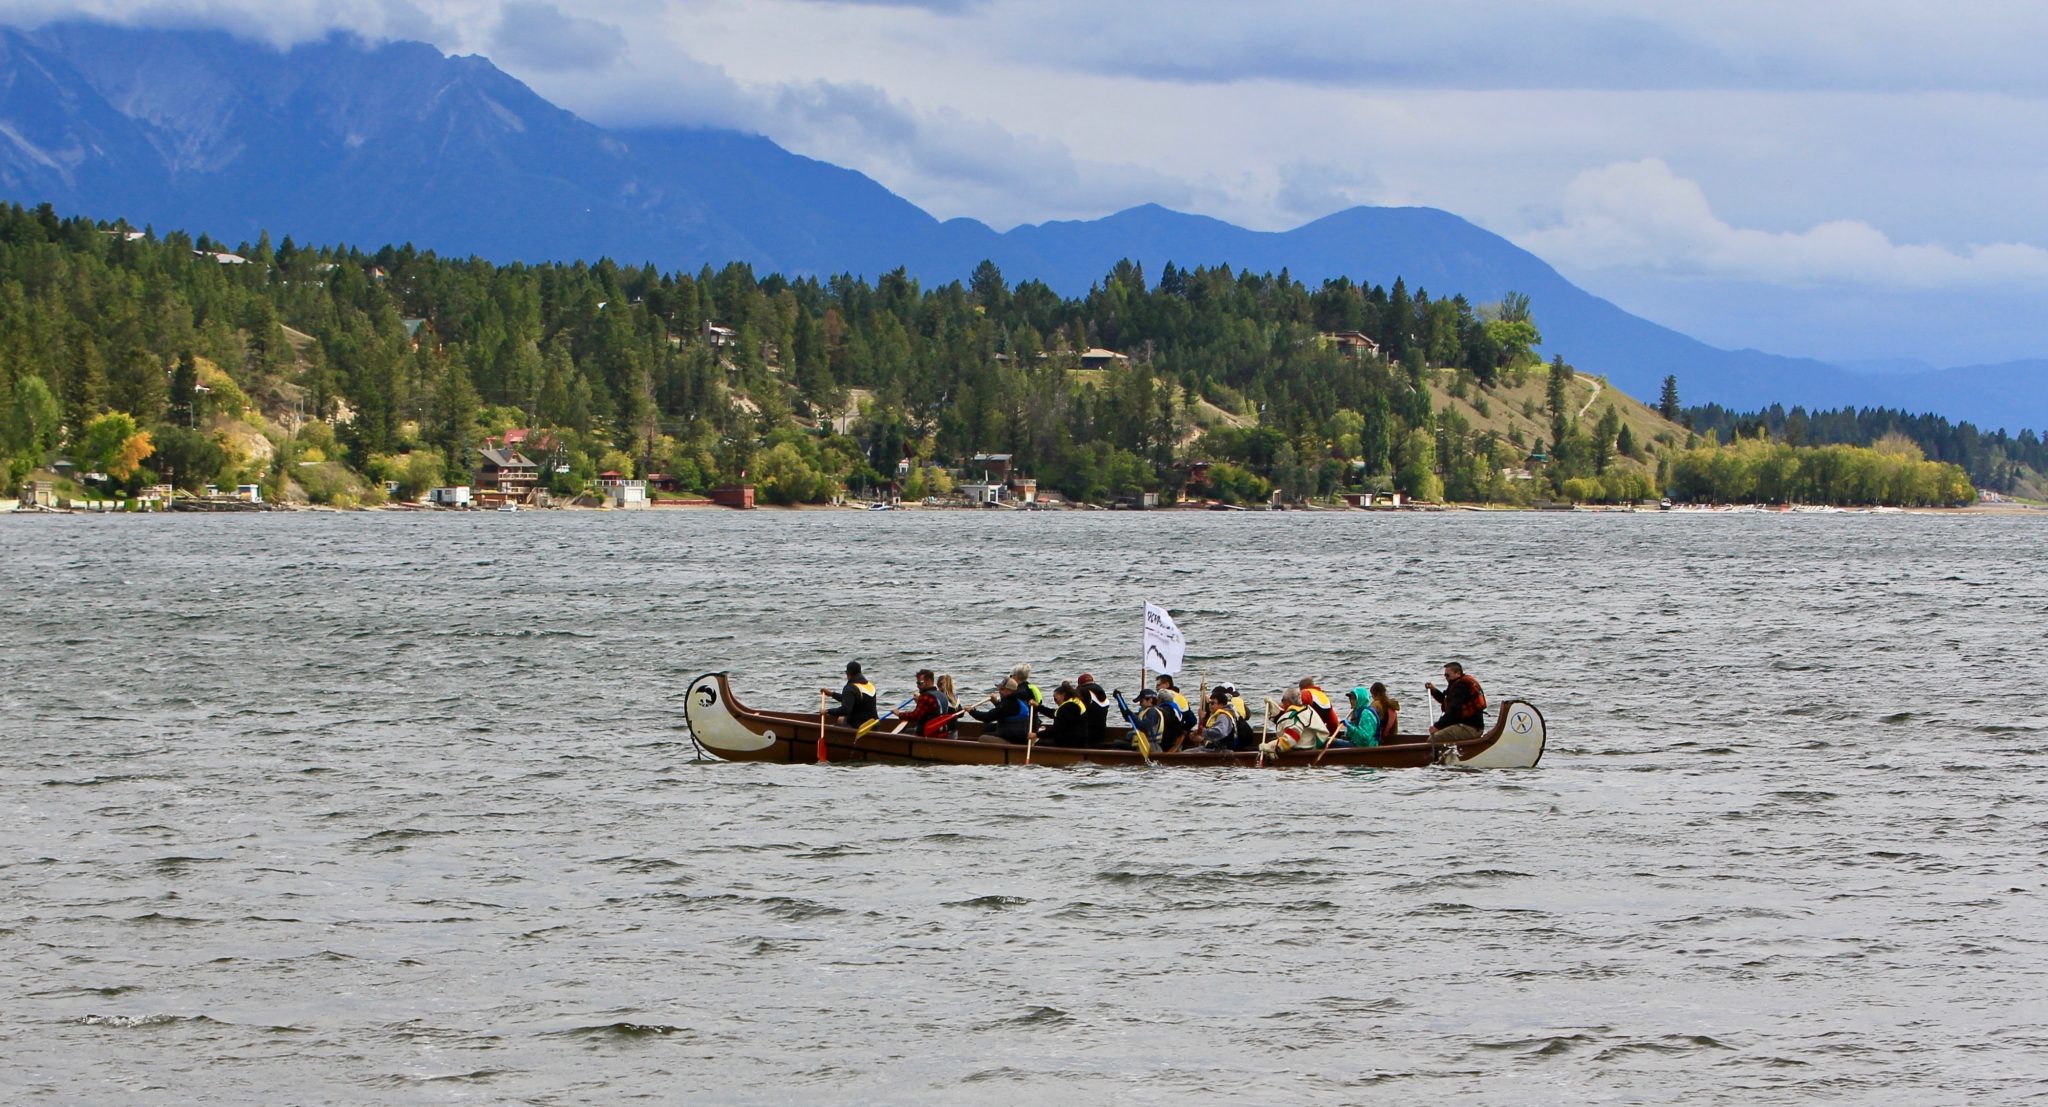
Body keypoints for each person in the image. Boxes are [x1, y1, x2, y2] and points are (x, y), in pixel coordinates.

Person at [1259, 687, 1331, 756]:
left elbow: (1290, 739)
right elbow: (1284, 719)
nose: (1281, 702)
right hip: (1310, 743)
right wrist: (1273, 706)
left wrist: (1270, 747)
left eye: (1282, 700)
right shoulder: (1306, 709)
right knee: (1271, 740)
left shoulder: (1294, 717)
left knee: (1267, 743)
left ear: (1288, 702)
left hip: (1302, 748)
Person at [1426, 662, 1486, 741]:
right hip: (1465, 725)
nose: (1446, 677)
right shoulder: (1455, 684)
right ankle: (1450, 751)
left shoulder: (1461, 687)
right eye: (1445, 675)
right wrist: (1434, 690)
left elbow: (1453, 711)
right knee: (1439, 733)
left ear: (1457, 673)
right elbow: (1445, 700)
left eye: (1447, 675)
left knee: (1433, 739)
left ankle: (1446, 753)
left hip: (1470, 728)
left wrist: (1437, 726)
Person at [970, 676, 1031, 742]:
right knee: (989, 728)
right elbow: (1004, 712)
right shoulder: (1018, 699)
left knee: (983, 737)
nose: (999, 691)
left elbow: (987, 717)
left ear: (1009, 691)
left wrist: (972, 711)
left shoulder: (1008, 703)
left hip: (1014, 739)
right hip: (1018, 734)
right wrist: (996, 702)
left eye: (1002, 689)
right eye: (999, 689)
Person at [899, 669, 956, 737]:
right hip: (942, 733)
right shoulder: (941, 695)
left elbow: (915, 716)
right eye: (917, 683)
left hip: (928, 734)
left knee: (902, 733)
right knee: (908, 731)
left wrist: (899, 714)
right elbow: (934, 710)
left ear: (928, 681)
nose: (917, 686)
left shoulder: (926, 697)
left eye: (920, 683)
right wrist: (919, 701)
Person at [1179, 687, 1238, 752]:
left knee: (1186, 753)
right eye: (1209, 703)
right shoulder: (1217, 715)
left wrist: (1202, 731)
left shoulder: (1223, 716)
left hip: (1221, 751)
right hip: (1213, 748)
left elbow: (1220, 732)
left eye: (1212, 703)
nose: (1210, 705)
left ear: (1221, 704)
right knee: (1187, 751)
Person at [822, 661, 876, 726]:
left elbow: (845, 710)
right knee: (842, 718)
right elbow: (850, 699)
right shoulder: (870, 685)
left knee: (840, 719)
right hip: (874, 725)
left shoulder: (850, 688)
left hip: (859, 726)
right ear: (860, 672)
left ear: (847, 673)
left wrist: (828, 711)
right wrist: (832, 694)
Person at [1038, 681, 1091, 746]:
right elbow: (1055, 714)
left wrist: (1037, 735)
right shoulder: (1075, 701)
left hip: (1070, 743)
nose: (1055, 701)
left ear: (1063, 695)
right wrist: (1038, 707)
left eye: (1055, 699)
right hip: (1078, 740)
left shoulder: (1067, 707)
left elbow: (1056, 729)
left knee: (1039, 742)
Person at [1112, 688, 1165, 753]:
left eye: (1141, 701)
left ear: (1150, 700)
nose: (1140, 704)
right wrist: (1120, 700)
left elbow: (1145, 727)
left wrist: (1131, 714)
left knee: (1116, 744)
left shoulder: (1153, 712)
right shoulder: (1145, 712)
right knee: (1118, 741)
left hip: (1151, 747)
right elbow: (1127, 716)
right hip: (1142, 743)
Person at [1154, 675, 1195, 744]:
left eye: (1158, 685)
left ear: (1167, 684)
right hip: (1177, 734)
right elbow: (1192, 720)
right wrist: (1183, 731)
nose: (1156, 688)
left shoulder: (1162, 698)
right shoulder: (1182, 698)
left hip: (1165, 737)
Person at [1076, 672, 1110, 745]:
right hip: (1101, 732)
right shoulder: (1102, 693)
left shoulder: (1081, 692)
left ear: (1080, 684)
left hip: (1086, 735)